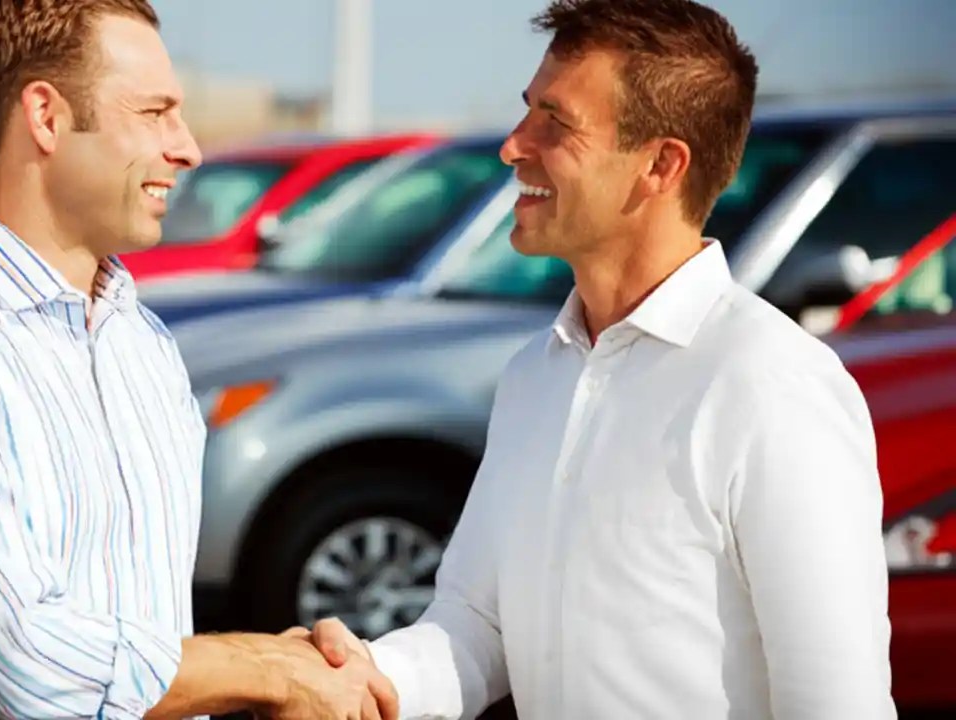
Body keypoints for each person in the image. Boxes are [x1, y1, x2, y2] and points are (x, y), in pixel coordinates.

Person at [0, 1, 398, 718]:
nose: (189, 148)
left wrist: (277, 673)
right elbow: (25, 663)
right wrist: (270, 669)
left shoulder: (140, 342)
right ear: (45, 117)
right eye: (154, 112)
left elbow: (145, 639)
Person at [299, 0, 897, 718]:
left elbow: (838, 704)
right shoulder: (536, 374)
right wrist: (364, 676)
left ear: (660, 165)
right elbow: (478, 624)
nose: (514, 145)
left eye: (556, 121)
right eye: (528, 112)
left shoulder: (773, 386)